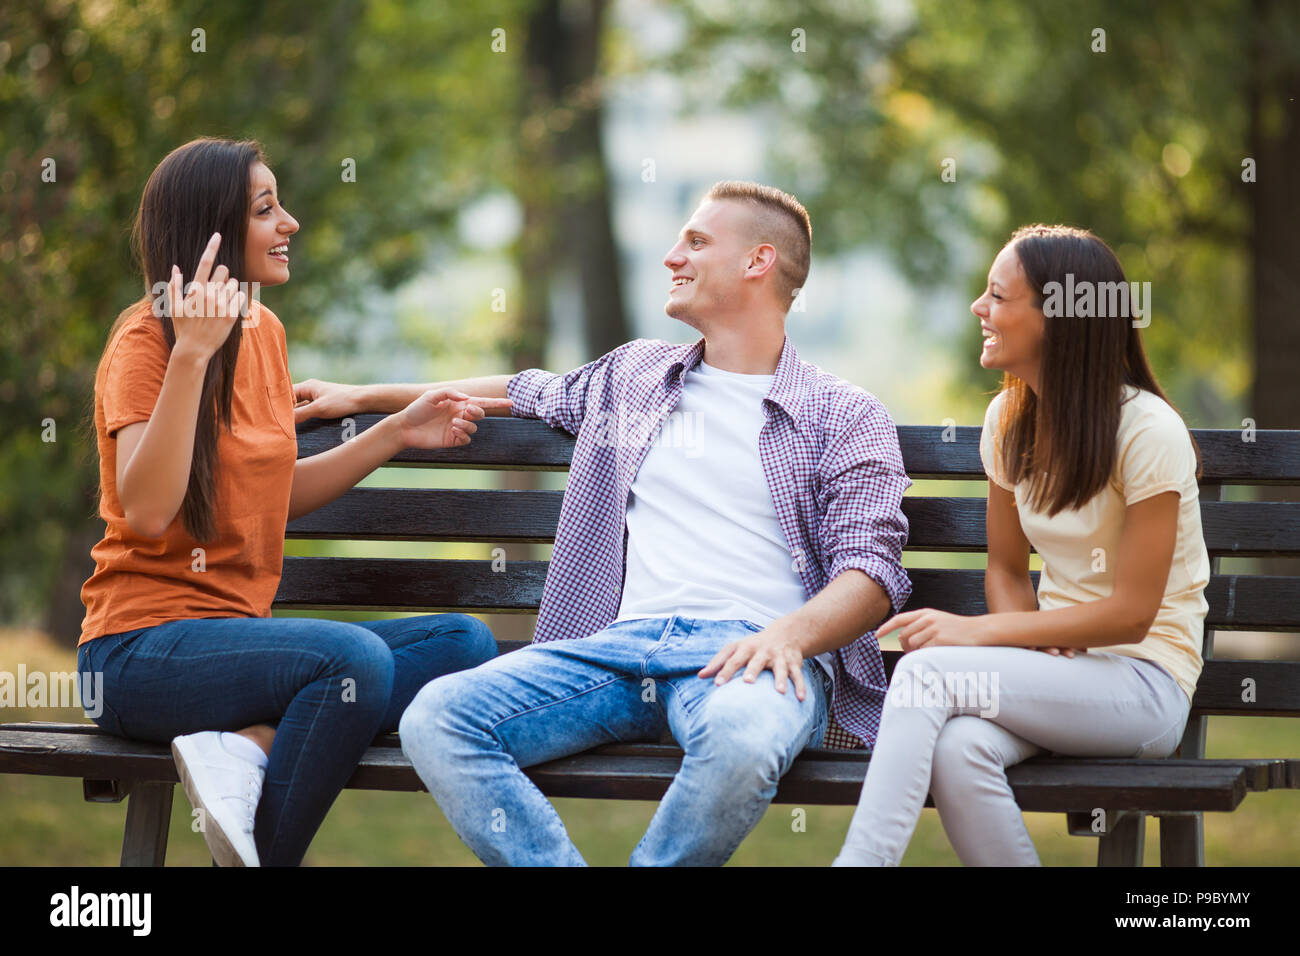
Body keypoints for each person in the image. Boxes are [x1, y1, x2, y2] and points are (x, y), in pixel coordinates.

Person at [296, 181, 912, 866]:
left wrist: (788, 637)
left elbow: (873, 574)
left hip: (748, 661)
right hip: (616, 653)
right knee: (438, 718)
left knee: (742, 743)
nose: (672, 256)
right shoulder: (635, 375)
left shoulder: (842, 412)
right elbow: (520, 389)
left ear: (758, 262)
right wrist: (362, 395)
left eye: (697, 242)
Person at [77, 137, 510, 867]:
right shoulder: (146, 341)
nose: (291, 223)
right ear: (209, 230)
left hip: (239, 649)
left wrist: (397, 432)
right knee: (353, 663)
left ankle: (246, 746)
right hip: (137, 654)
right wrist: (191, 354)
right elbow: (147, 512)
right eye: (267, 208)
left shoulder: (266, 333)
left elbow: (272, 499)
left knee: (463, 645)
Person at [832, 224, 1210, 866]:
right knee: (959, 750)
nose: (980, 309)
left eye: (998, 296)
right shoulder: (1008, 422)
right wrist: (1030, 637)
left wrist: (986, 635)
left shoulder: (1149, 432)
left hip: (1146, 685)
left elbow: (1133, 613)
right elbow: (1006, 569)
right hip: (1062, 673)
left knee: (924, 676)